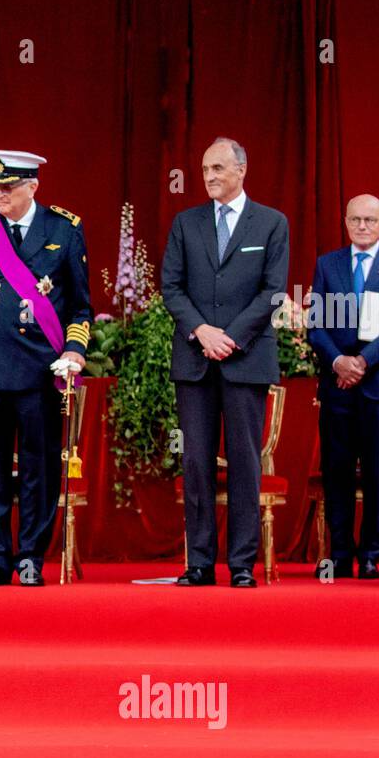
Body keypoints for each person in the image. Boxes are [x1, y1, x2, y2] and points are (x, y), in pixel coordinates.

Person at [0, 150, 91, 587]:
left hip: (37, 369)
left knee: (39, 466)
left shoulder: (63, 230)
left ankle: (30, 555)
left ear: (33, 186)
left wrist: (73, 351)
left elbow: (81, 306)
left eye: (8, 187)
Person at [162, 137, 289, 588]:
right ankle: (198, 561)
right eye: (204, 169)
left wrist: (231, 337)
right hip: (196, 359)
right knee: (196, 462)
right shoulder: (186, 222)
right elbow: (171, 288)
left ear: (241, 170)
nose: (210, 177)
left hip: (246, 358)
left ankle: (240, 564)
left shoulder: (272, 223)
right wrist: (203, 332)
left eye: (218, 168)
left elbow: (273, 291)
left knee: (244, 461)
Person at [307, 194, 379, 580]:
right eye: (355, 220)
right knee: (337, 471)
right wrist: (339, 362)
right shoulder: (327, 265)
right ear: (345, 223)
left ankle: (370, 555)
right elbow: (316, 325)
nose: (362, 226)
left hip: (378, 383)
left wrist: (364, 361)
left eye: (370, 220)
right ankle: (341, 553)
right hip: (337, 385)